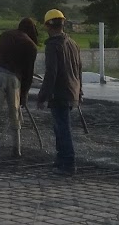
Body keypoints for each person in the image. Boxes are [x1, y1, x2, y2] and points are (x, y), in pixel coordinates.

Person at [0, 17, 40, 158]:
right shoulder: (31, 45)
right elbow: (28, 74)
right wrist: (24, 95)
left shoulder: (5, 35)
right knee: (14, 115)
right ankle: (16, 150)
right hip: (14, 79)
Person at [36, 9, 82, 176]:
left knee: (62, 128)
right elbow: (79, 69)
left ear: (48, 25)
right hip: (72, 91)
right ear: (63, 23)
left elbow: (51, 73)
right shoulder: (73, 44)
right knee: (59, 127)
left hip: (60, 92)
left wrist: (43, 96)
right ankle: (61, 159)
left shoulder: (53, 46)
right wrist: (80, 92)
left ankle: (68, 163)